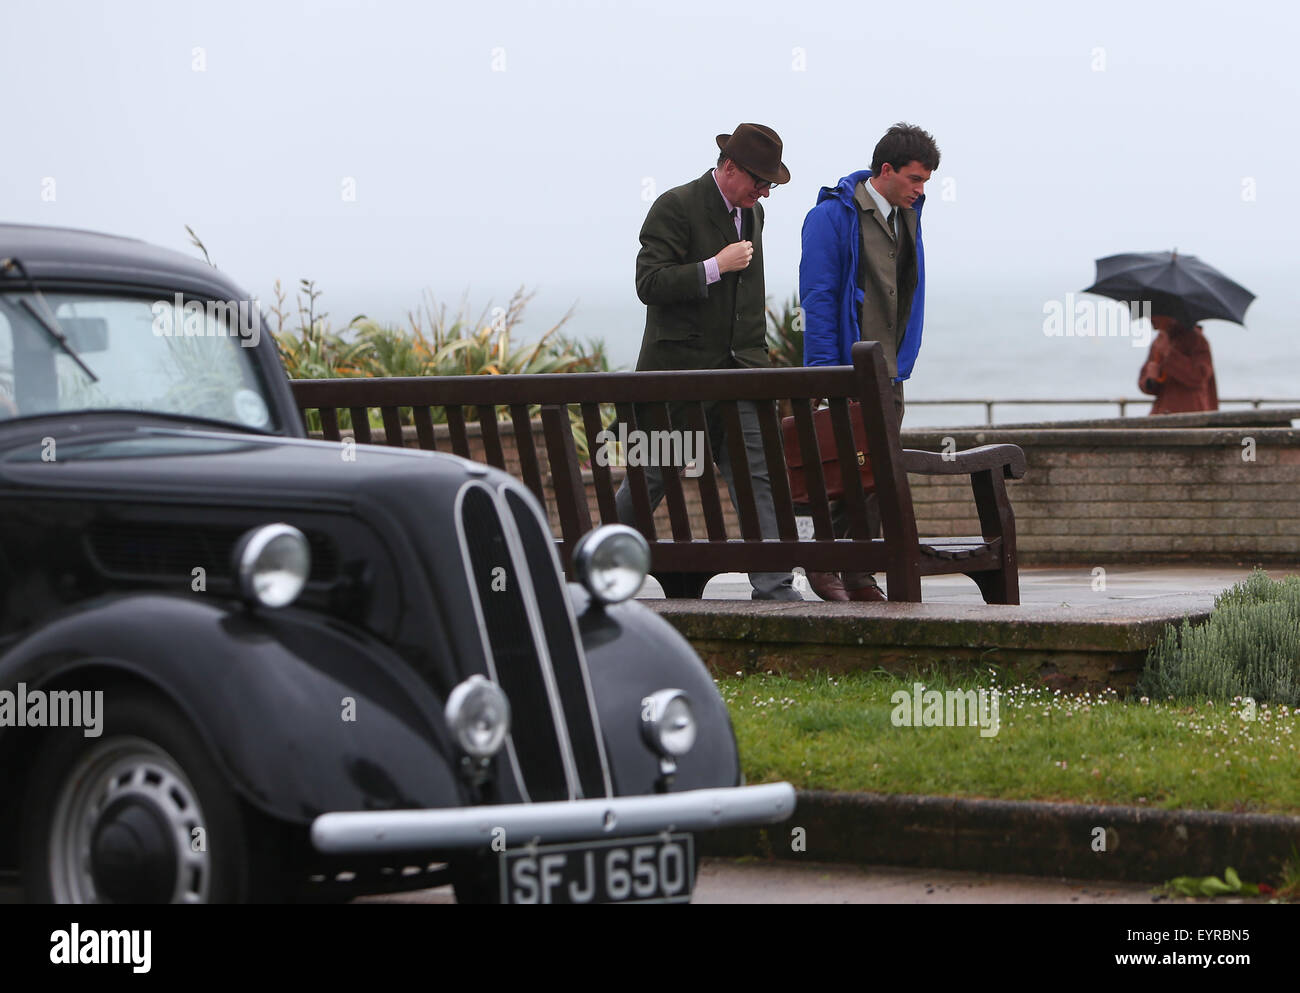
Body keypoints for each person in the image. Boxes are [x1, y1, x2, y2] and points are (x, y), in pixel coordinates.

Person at [615, 123, 800, 601]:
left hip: (739, 374)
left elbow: (748, 301)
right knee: (653, 472)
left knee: (756, 472)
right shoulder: (675, 206)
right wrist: (714, 266)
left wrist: (757, 364)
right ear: (729, 167)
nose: (762, 193)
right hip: (677, 376)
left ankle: (775, 586)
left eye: (769, 187)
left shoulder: (752, 213)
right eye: (758, 182)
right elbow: (649, 284)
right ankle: (592, 570)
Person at [797, 122, 940, 602]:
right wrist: (824, 374)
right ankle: (823, 563)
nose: (921, 191)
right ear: (886, 170)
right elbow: (818, 298)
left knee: (875, 477)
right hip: (845, 369)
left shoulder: (908, 213)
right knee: (840, 472)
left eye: (925, 182)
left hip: (888, 372)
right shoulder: (831, 217)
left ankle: (859, 572)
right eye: (915, 179)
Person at [1138, 315, 1218, 414]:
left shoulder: (1197, 340)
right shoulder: (1159, 341)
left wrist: (1169, 354)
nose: (1150, 319)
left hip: (1191, 414)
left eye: (1155, 314)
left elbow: (1199, 376)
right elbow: (1147, 385)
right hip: (1163, 414)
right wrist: (1151, 378)